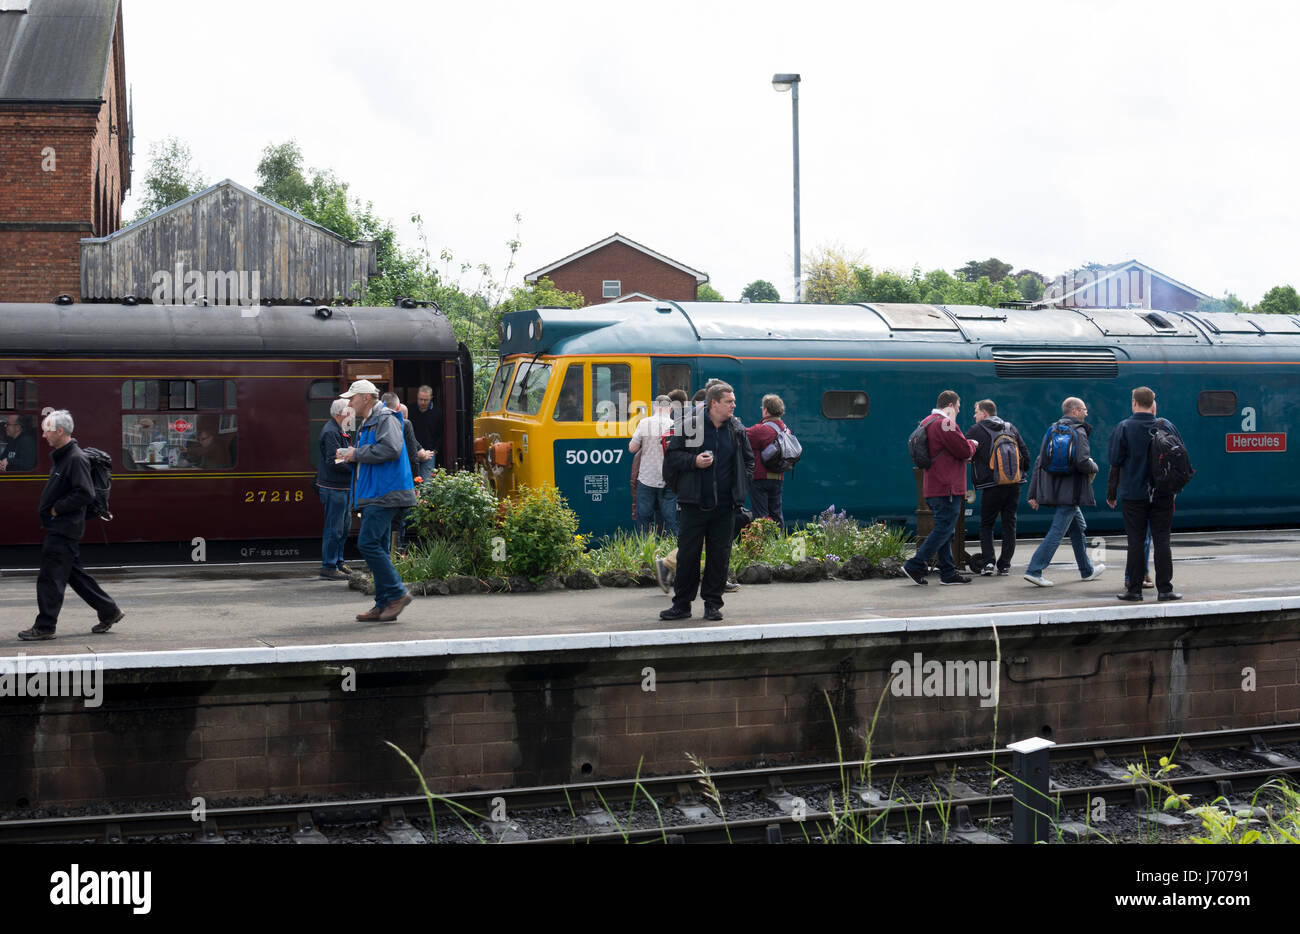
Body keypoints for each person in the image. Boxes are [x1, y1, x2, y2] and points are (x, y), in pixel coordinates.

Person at [18, 410, 124, 641]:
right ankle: (109, 611)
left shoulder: (75, 458)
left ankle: (45, 626)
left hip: (64, 527)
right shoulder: (63, 457)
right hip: (62, 526)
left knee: (50, 577)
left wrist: (57, 509)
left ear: (60, 431)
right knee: (74, 575)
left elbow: (84, 493)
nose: (44, 435)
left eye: (47, 431)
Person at [658, 381, 753, 621]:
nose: (734, 405)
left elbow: (749, 461)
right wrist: (694, 462)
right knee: (688, 556)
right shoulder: (691, 427)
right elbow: (671, 460)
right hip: (694, 504)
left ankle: (712, 604)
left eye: (733, 401)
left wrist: (741, 487)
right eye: (729, 401)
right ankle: (681, 605)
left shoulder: (737, 429)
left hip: (725, 506)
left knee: (719, 558)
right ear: (714, 403)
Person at [336, 380, 417, 622]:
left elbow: (392, 448)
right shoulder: (371, 421)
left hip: (385, 494)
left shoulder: (385, 418)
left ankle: (397, 594)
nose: (349, 402)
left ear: (366, 398)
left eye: (353, 398)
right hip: (378, 493)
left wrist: (356, 453)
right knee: (378, 547)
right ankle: (382, 605)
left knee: (368, 544)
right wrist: (351, 457)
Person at [1107, 386, 1183, 601]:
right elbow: (1180, 458)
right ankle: (1165, 590)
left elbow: (1114, 460)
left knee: (1136, 542)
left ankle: (1134, 590)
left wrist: (1112, 491)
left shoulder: (1123, 427)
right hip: (1163, 493)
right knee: (1162, 541)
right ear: (1153, 404)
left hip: (1133, 494)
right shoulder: (1165, 426)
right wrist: (1175, 488)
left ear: (1134, 403)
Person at [1023, 397, 1105, 587]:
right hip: (1072, 491)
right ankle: (1034, 570)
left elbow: (1040, 462)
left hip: (1056, 489)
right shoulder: (1079, 431)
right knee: (1057, 531)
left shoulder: (1052, 430)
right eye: (1084, 409)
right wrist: (1094, 466)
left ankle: (1087, 570)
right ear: (1075, 411)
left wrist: (1033, 493)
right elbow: (1083, 462)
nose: (1086, 412)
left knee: (1078, 528)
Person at [902, 390, 978, 586]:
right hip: (948, 486)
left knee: (946, 530)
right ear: (951, 405)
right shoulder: (946, 424)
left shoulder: (927, 421)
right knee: (944, 528)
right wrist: (973, 444)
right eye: (959, 407)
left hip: (934, 485)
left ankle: (948, 572)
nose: (959, 411)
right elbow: (963, 450)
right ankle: (914, 564)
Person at [964, 399, 1030, 576]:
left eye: (976, 411)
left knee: (986, 524)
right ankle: (1005, 564)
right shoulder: (1010, 428)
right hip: (1014, 485)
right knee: (1010, 523)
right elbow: (1026, 456)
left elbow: (965, 453)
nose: (974, 415)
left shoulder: (975, 430)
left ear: (984, 413)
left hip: (991, 486)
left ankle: (988, 563)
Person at [381, 392, 425, 553]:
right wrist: (417, 482)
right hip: (402, 480)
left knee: (387, 521)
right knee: (400, 521)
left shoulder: (377, 422)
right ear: (398, 409)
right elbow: (413, 455)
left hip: (384, 483)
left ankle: (388, 553)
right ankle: (396, 553)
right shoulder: (405, 425)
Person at [628, 395, 678, 535]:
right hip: (668, 480)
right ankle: (671, 553)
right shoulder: (675, 425)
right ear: (670, 408)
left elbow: (632, 448)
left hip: (646, 478)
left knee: (644, 520)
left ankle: (645, 552)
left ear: (655, 407)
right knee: (670, 521)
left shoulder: (644, 423)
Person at [317, 398, 354, 581]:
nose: (352, 414)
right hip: (334, 487)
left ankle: (338, 562)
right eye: (350, 411)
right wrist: (355, 466)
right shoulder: (331, 432)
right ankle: (329, 566)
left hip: (341, 487)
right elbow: (334, 460)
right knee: (335, 528)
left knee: (344, 527)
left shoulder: (339, 430)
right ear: (341, 413)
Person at [745, 393, 790, 531]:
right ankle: (778, 544)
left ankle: (763, 547)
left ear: (765, 410)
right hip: (778, 477)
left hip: (760, 479)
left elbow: (741, 435)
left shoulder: (761, 430)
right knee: (776, 514)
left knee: (761, 516)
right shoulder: (785, 429)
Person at [409, 384, 443, 477]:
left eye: (426, 400)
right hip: (413, 453)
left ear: (431, 398)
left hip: (429, 453)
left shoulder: (437, 412)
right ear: (417, 397)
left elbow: (441, 433)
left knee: (426, 485)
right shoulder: (410, 410)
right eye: (420, 399)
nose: (423, 402)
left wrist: (435, 450)